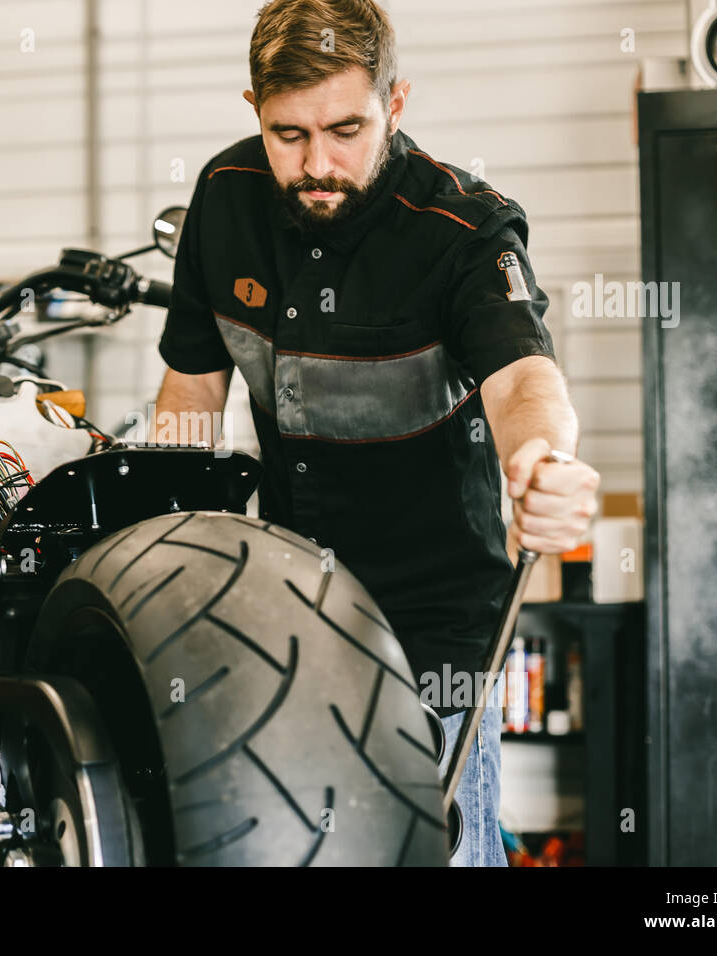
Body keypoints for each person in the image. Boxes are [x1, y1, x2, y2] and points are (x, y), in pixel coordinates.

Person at [151, 0, 600, 866]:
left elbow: (523, 380)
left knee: (438, 852)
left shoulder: (466, 231)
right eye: (288, 135)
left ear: (395, 104)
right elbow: (192, 388)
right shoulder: (222, 200)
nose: (318, 165)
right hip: (279, 606)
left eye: (346, 129)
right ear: (254, 110)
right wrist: (160, 551)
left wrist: (542, 460)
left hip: (433, 629)